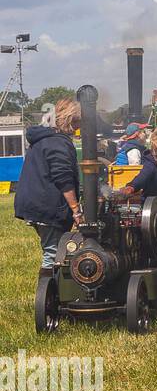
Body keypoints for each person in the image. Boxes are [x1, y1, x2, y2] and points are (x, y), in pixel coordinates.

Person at [14, 98, 83, 276]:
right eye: (77, 121)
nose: (78, 125)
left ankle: (53, 294)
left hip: (33, 202)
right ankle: (48, 297)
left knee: (53, 250)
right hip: (48, 205)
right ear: (69, 119)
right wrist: (76, 209)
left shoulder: (42, 138)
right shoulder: (58, 142)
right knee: (53, 255)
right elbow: (63, 178)